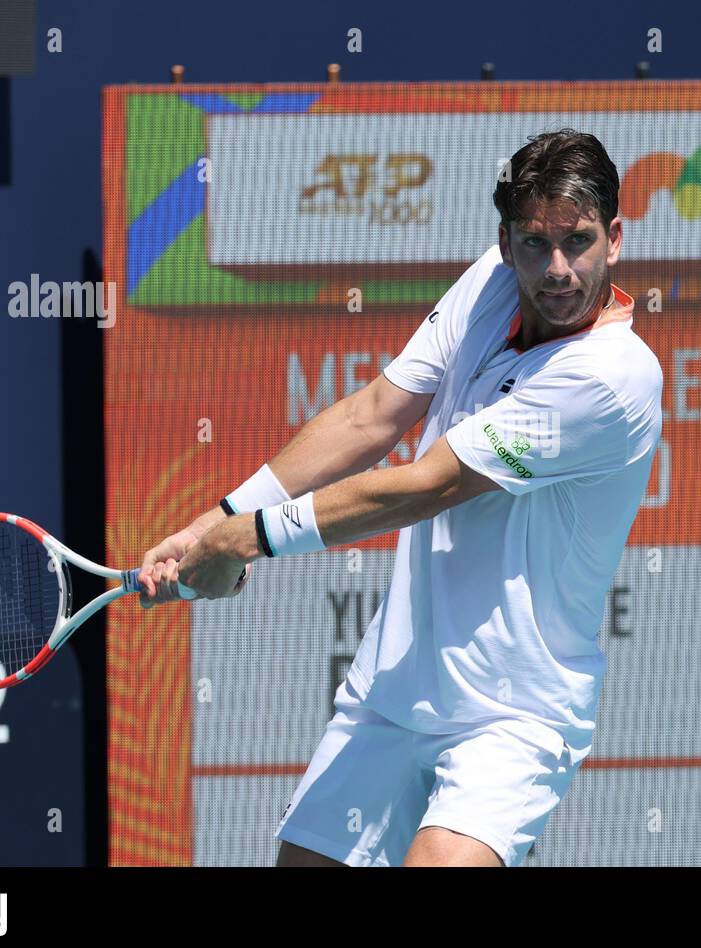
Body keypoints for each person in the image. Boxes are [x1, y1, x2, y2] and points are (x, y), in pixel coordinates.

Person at [138, 128, 663, 867]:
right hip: (392, 688)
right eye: (531, 244)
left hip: (513, 716)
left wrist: (250, 539)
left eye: (576, 242)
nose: (555, 270)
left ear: (614, 238)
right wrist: (217, 522)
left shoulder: (612, 377)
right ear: (505, 239)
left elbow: (431, 483)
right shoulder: (492, 280)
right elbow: (374, 412)